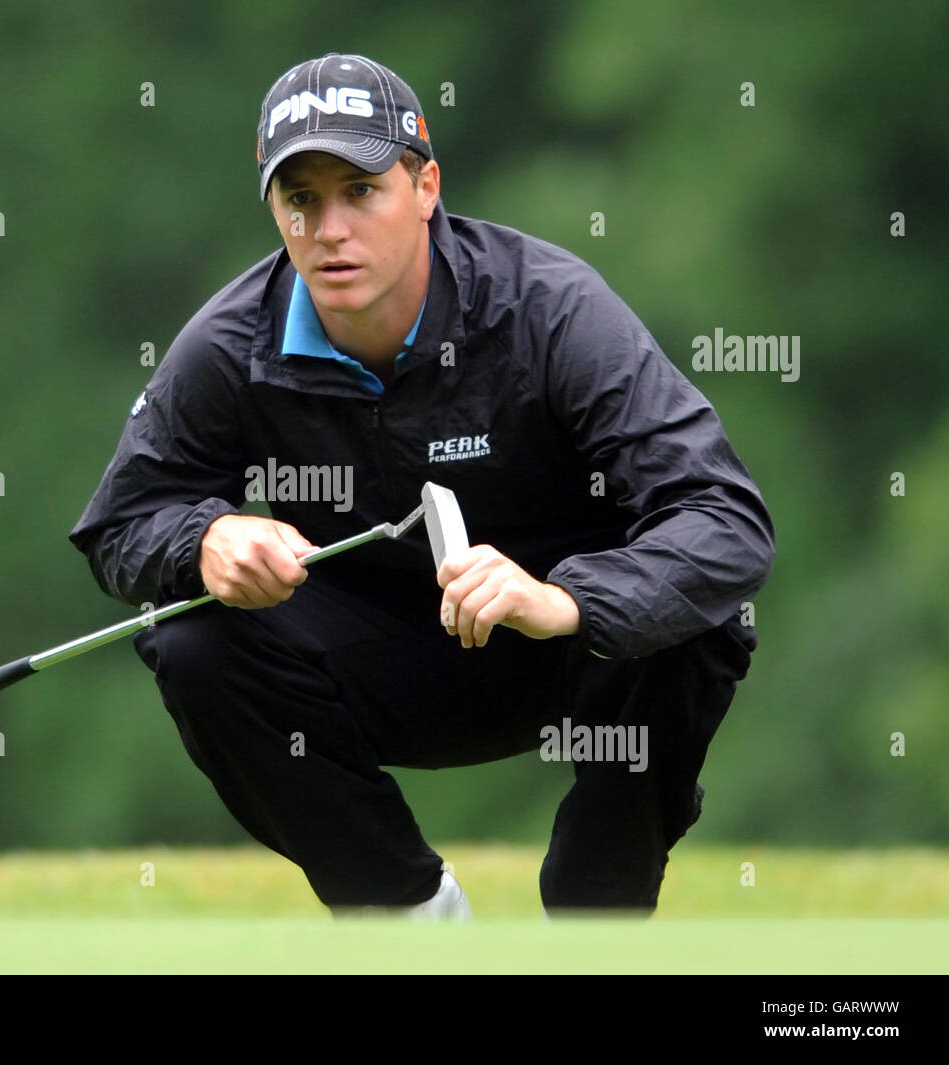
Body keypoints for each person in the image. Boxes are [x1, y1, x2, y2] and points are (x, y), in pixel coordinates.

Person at [69, 53, 775, 918]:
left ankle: (599, 917)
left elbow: (725, 517)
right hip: (369, 669)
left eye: (359, 191)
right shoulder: (227, 345)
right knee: (189, 638)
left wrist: (569, 598)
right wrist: (205, 537)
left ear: (425, 185)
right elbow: (119, 525)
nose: (329, 229)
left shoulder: (548, 308)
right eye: (301, 200)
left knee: (702, 621)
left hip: (564, 653)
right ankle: (408, 916)